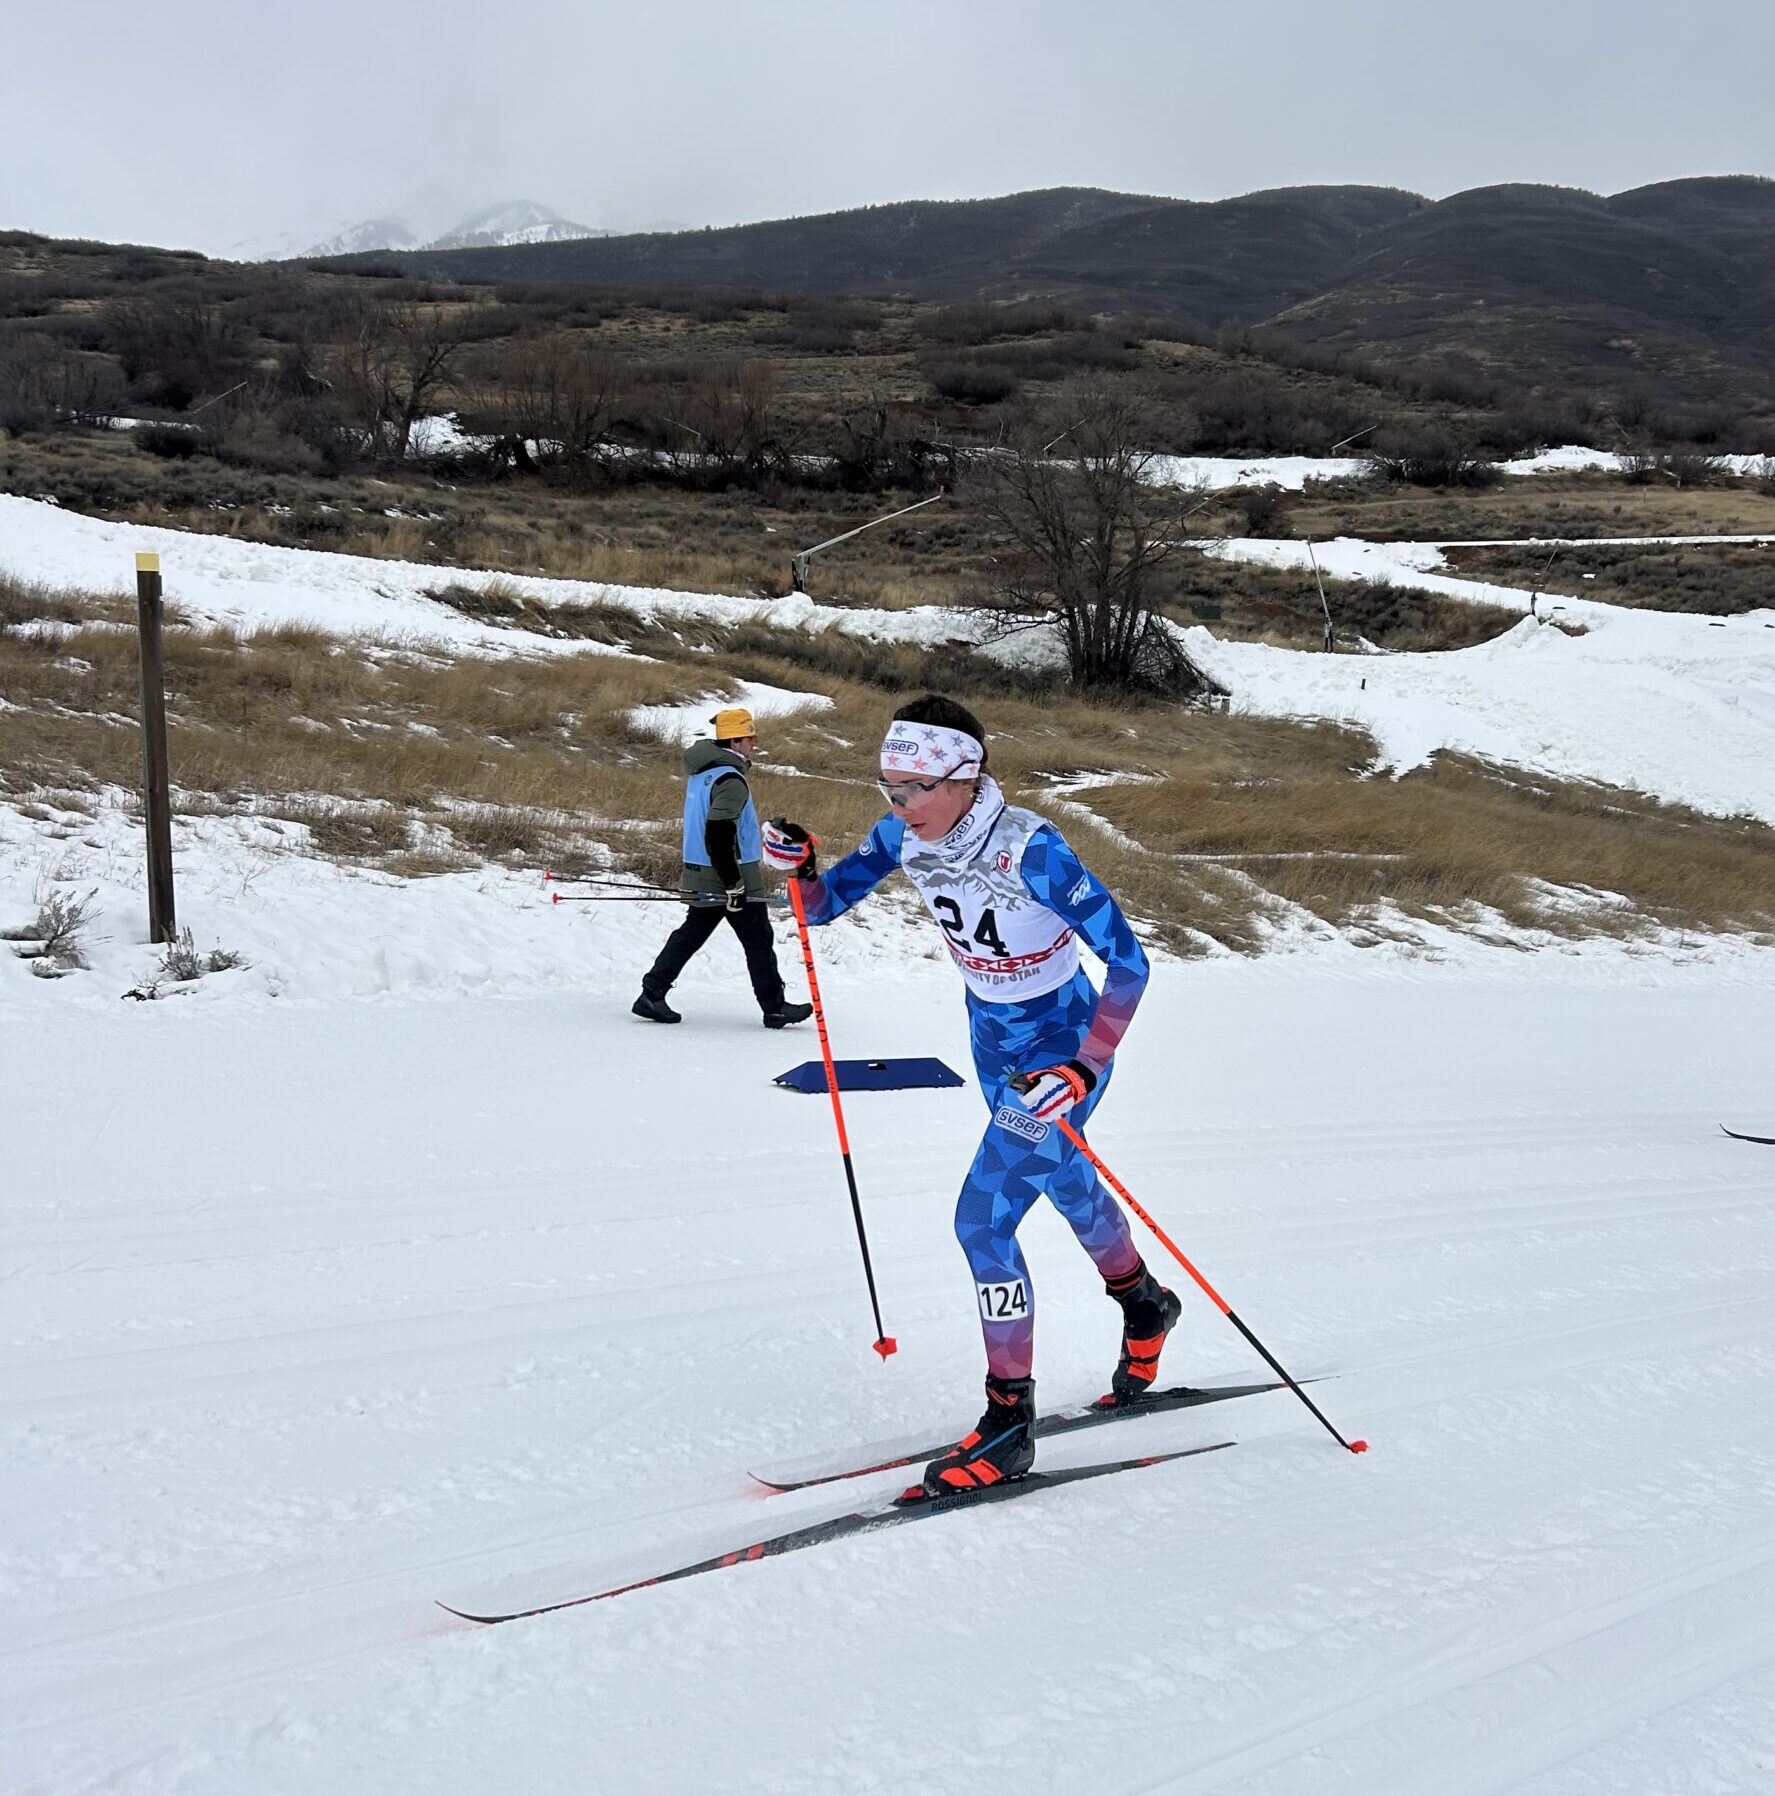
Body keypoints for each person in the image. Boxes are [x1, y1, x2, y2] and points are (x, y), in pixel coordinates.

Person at [763, 693, 1180, 1496]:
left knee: (982, 1220)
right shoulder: (901, 836)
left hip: (1057, 1051)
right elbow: (819, 910)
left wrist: (1084, 1068)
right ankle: (1143, 1303)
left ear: (966, 777)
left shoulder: (1032, 850)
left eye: (916, 788)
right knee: (1063, 1181)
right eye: (889, 785)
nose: (899, 804)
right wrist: (801, 867)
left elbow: (1129, 964)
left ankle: (1008, 1422)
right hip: (991, 1045)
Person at [633, 705, 812, 1029]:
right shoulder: (731, 779)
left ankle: (652, 992)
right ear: (737, 740)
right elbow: (718, 832)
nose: (755, 743)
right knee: (757, 938)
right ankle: (774, 1008)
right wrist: (734, 883)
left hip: (703, 868)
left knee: (693, 932)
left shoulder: (704, 772)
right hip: (730, 872)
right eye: (751, 737)